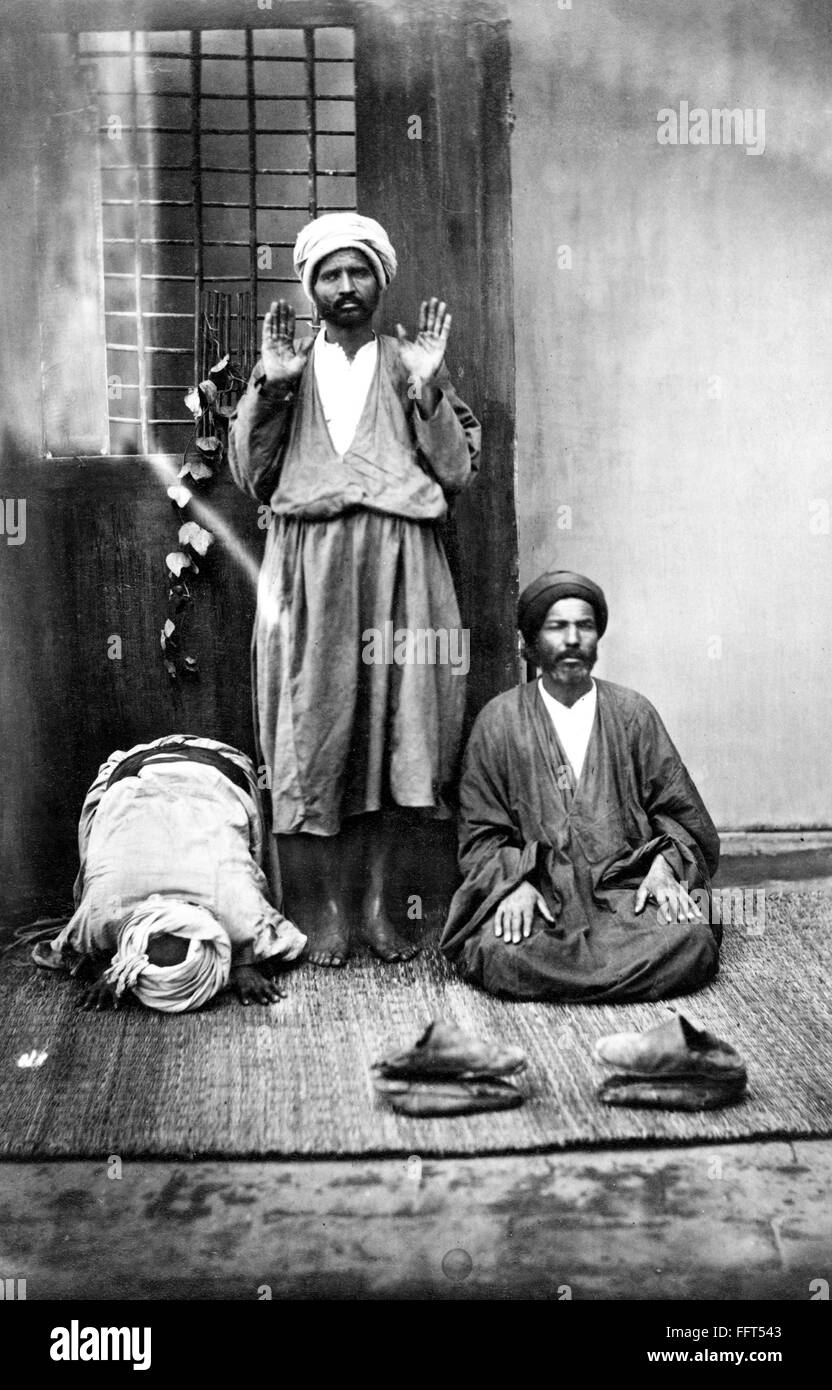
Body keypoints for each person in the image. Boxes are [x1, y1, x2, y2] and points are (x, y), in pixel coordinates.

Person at [229, 211, 480, 967]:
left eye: (359, 271)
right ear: (310, 287)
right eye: (331, 274)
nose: (346, 286)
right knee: (314, 735)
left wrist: (431, 391)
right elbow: (252, 476)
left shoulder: (412, 362)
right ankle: (323, 910)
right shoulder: (288, 365)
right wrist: (270, 390)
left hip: (403, 572)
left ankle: (381, 907)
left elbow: (458, 471)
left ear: (380, 280)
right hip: (309, 575)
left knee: (401, 736)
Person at [439, 571, 721, 1002]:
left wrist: (664, 869)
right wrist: (512, 885)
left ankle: (577, 976)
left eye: (584, 626)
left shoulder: (632, 713)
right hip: (542, 897)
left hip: (625, 893)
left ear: (597, 639)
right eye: (557, 627)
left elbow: (680, 813)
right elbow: (480, 833)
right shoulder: (498, 721)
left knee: (691, 941)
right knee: (502, 952)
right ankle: (600, 972)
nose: (572, 639)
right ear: (528, 644)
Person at [33, 736, 306, 1011]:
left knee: (262, 790)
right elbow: (75, 948)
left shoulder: (103, 912)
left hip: (191, 768)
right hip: (159, 770)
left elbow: (74, 950)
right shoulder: (102, 916)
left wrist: (106, 972)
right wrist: (244, 967)